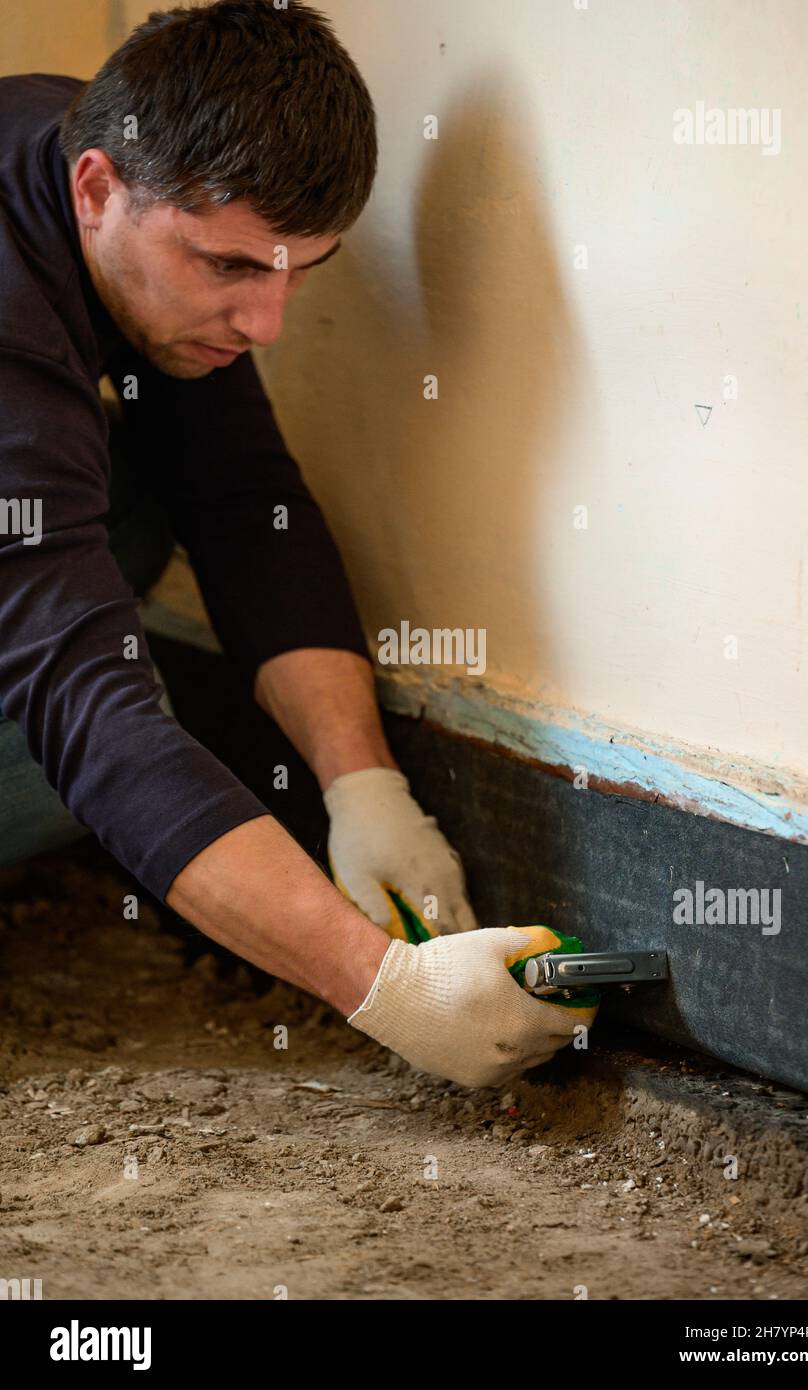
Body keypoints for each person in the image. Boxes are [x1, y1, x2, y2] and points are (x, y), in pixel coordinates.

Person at [0, 0, 592, 1088]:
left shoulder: (106, 149)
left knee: (127, 511)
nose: (267, 322)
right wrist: (383, 986)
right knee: (69, 742)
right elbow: (82, 704)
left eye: (297, 269)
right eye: (229, 268)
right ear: (95, 191)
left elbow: (241, 499)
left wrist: (365, 786)